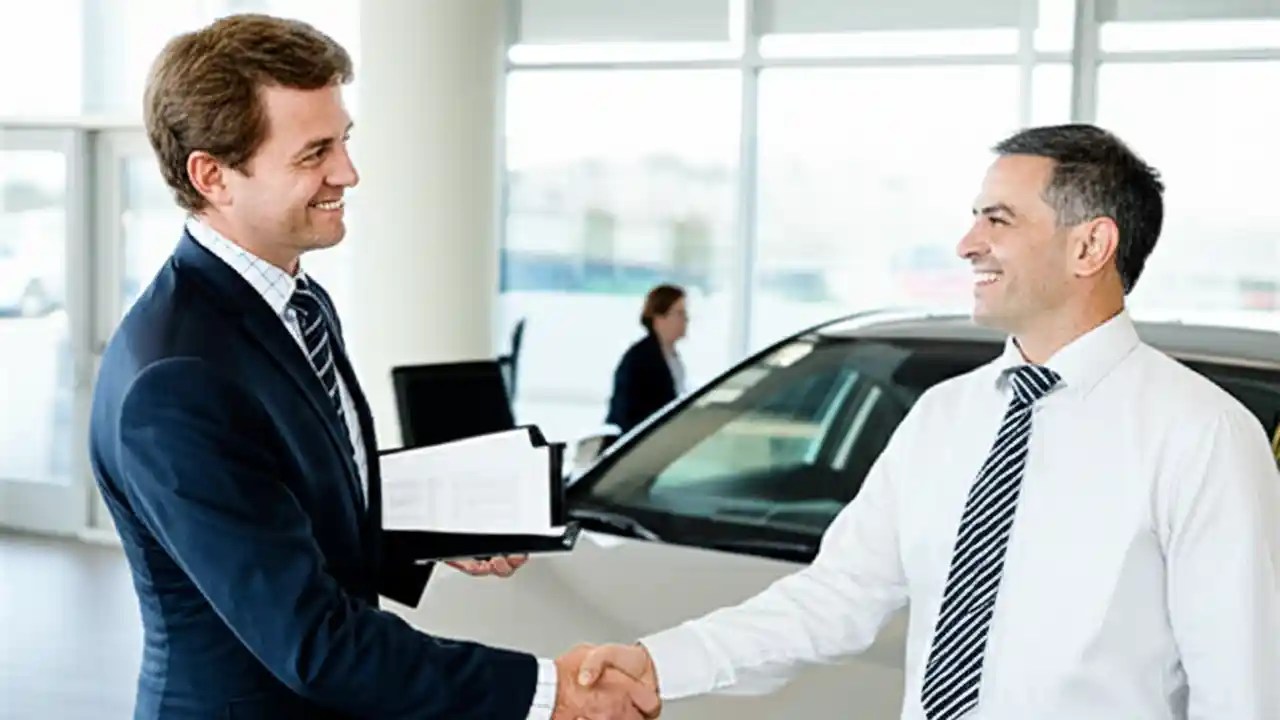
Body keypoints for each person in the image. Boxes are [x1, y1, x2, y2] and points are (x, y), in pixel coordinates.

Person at [572, 124, 1280, 718]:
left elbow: (1241, 694)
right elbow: (835, 598)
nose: (967, 244)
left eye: (997, 219)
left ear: (1090, 247)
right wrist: (657, 663)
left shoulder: (1203, 436)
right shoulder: (944, 417)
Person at [87, 14, 658, 720]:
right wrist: (551, 691)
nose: (347, 173)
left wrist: (433, 530)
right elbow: (313, 640)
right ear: (214, 176)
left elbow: (302, 493)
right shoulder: (175, 380)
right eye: (314, 153)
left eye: (345, 141)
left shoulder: (298, 300)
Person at [605, 284, 689, 434]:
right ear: (659, 318)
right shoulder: (639, 359)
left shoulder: (672, 356)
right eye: (679, 314)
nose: (686, 320)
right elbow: (627, 413)